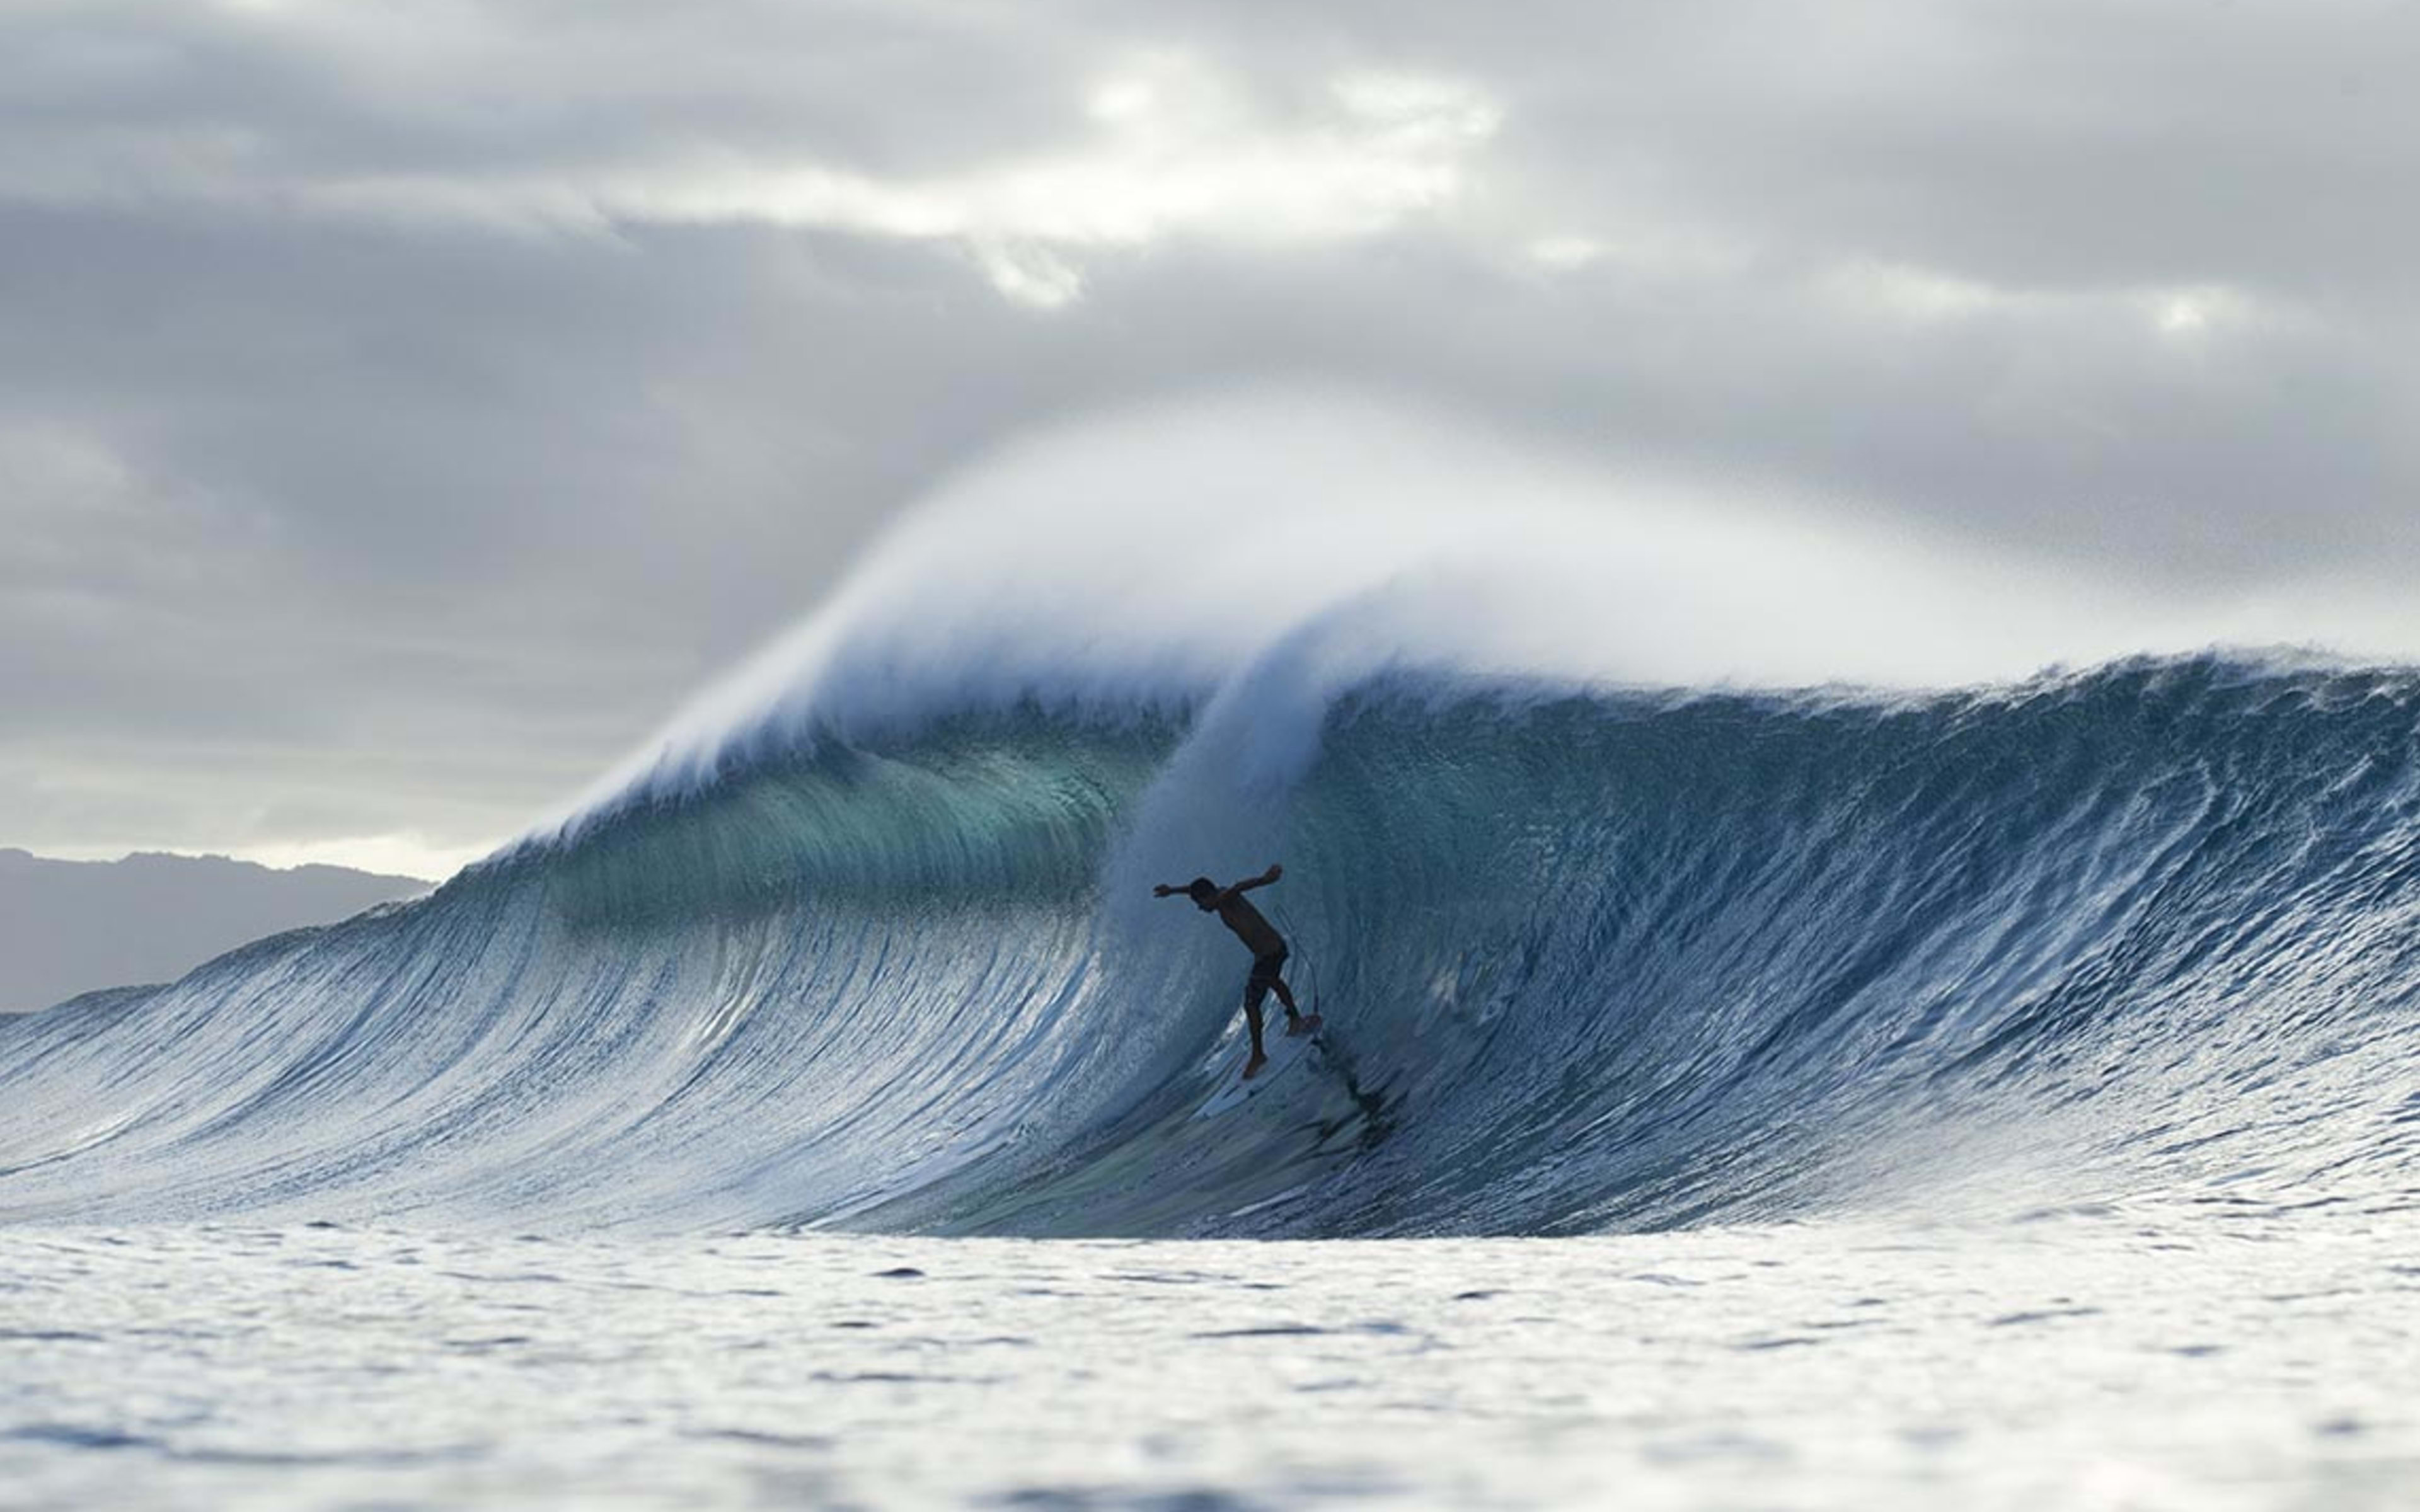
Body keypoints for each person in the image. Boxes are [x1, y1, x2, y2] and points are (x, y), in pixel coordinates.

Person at [1153, 863, 1318, 1079]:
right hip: (1271, 951)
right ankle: (1296, 1020)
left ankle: (1259, 1056)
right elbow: (1196, 890)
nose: (1200, 908)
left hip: (1269, 954)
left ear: (1208, 897)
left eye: (1199, 903)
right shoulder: (1218, 897)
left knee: (1251, 1005)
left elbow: (1239, 887)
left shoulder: (1224, 899)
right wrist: (1173, 891)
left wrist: (1265, 879)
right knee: (1274, 982)